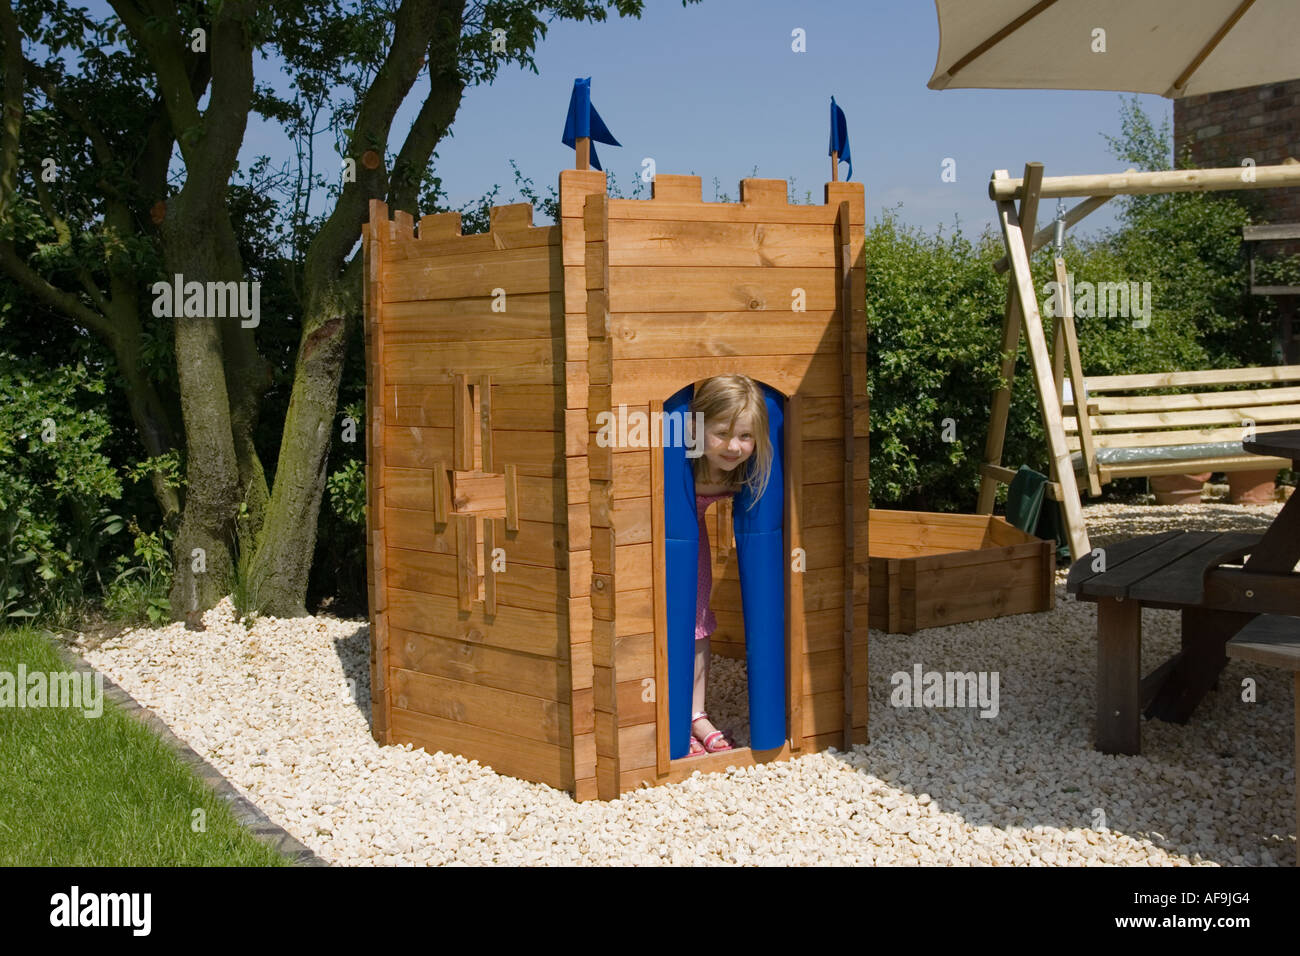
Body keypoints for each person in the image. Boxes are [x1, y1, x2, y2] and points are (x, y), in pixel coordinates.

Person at [685, 374, 773, 756]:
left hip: (696, 534)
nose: (734, 447)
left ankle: (695, 715)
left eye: (746, 436)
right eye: (721, 433)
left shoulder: (746, 470)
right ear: (696, 427)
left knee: (698, 621)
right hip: (668, 533)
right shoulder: (682, 461)